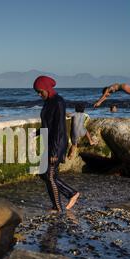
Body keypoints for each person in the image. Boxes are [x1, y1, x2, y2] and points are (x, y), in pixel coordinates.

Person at [34, 76, 80, 219]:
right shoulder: (47, 102)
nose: (39, 94)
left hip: (57, 144)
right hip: (50, 142)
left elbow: (59, 128)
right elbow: (48, 124)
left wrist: (55, 151)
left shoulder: (58, 102)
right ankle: (70, 194)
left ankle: (59, 206)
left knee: (49, 175)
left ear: (47, 89)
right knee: (45, 174)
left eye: (40, 91)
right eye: (37, 92)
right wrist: (36, 133)